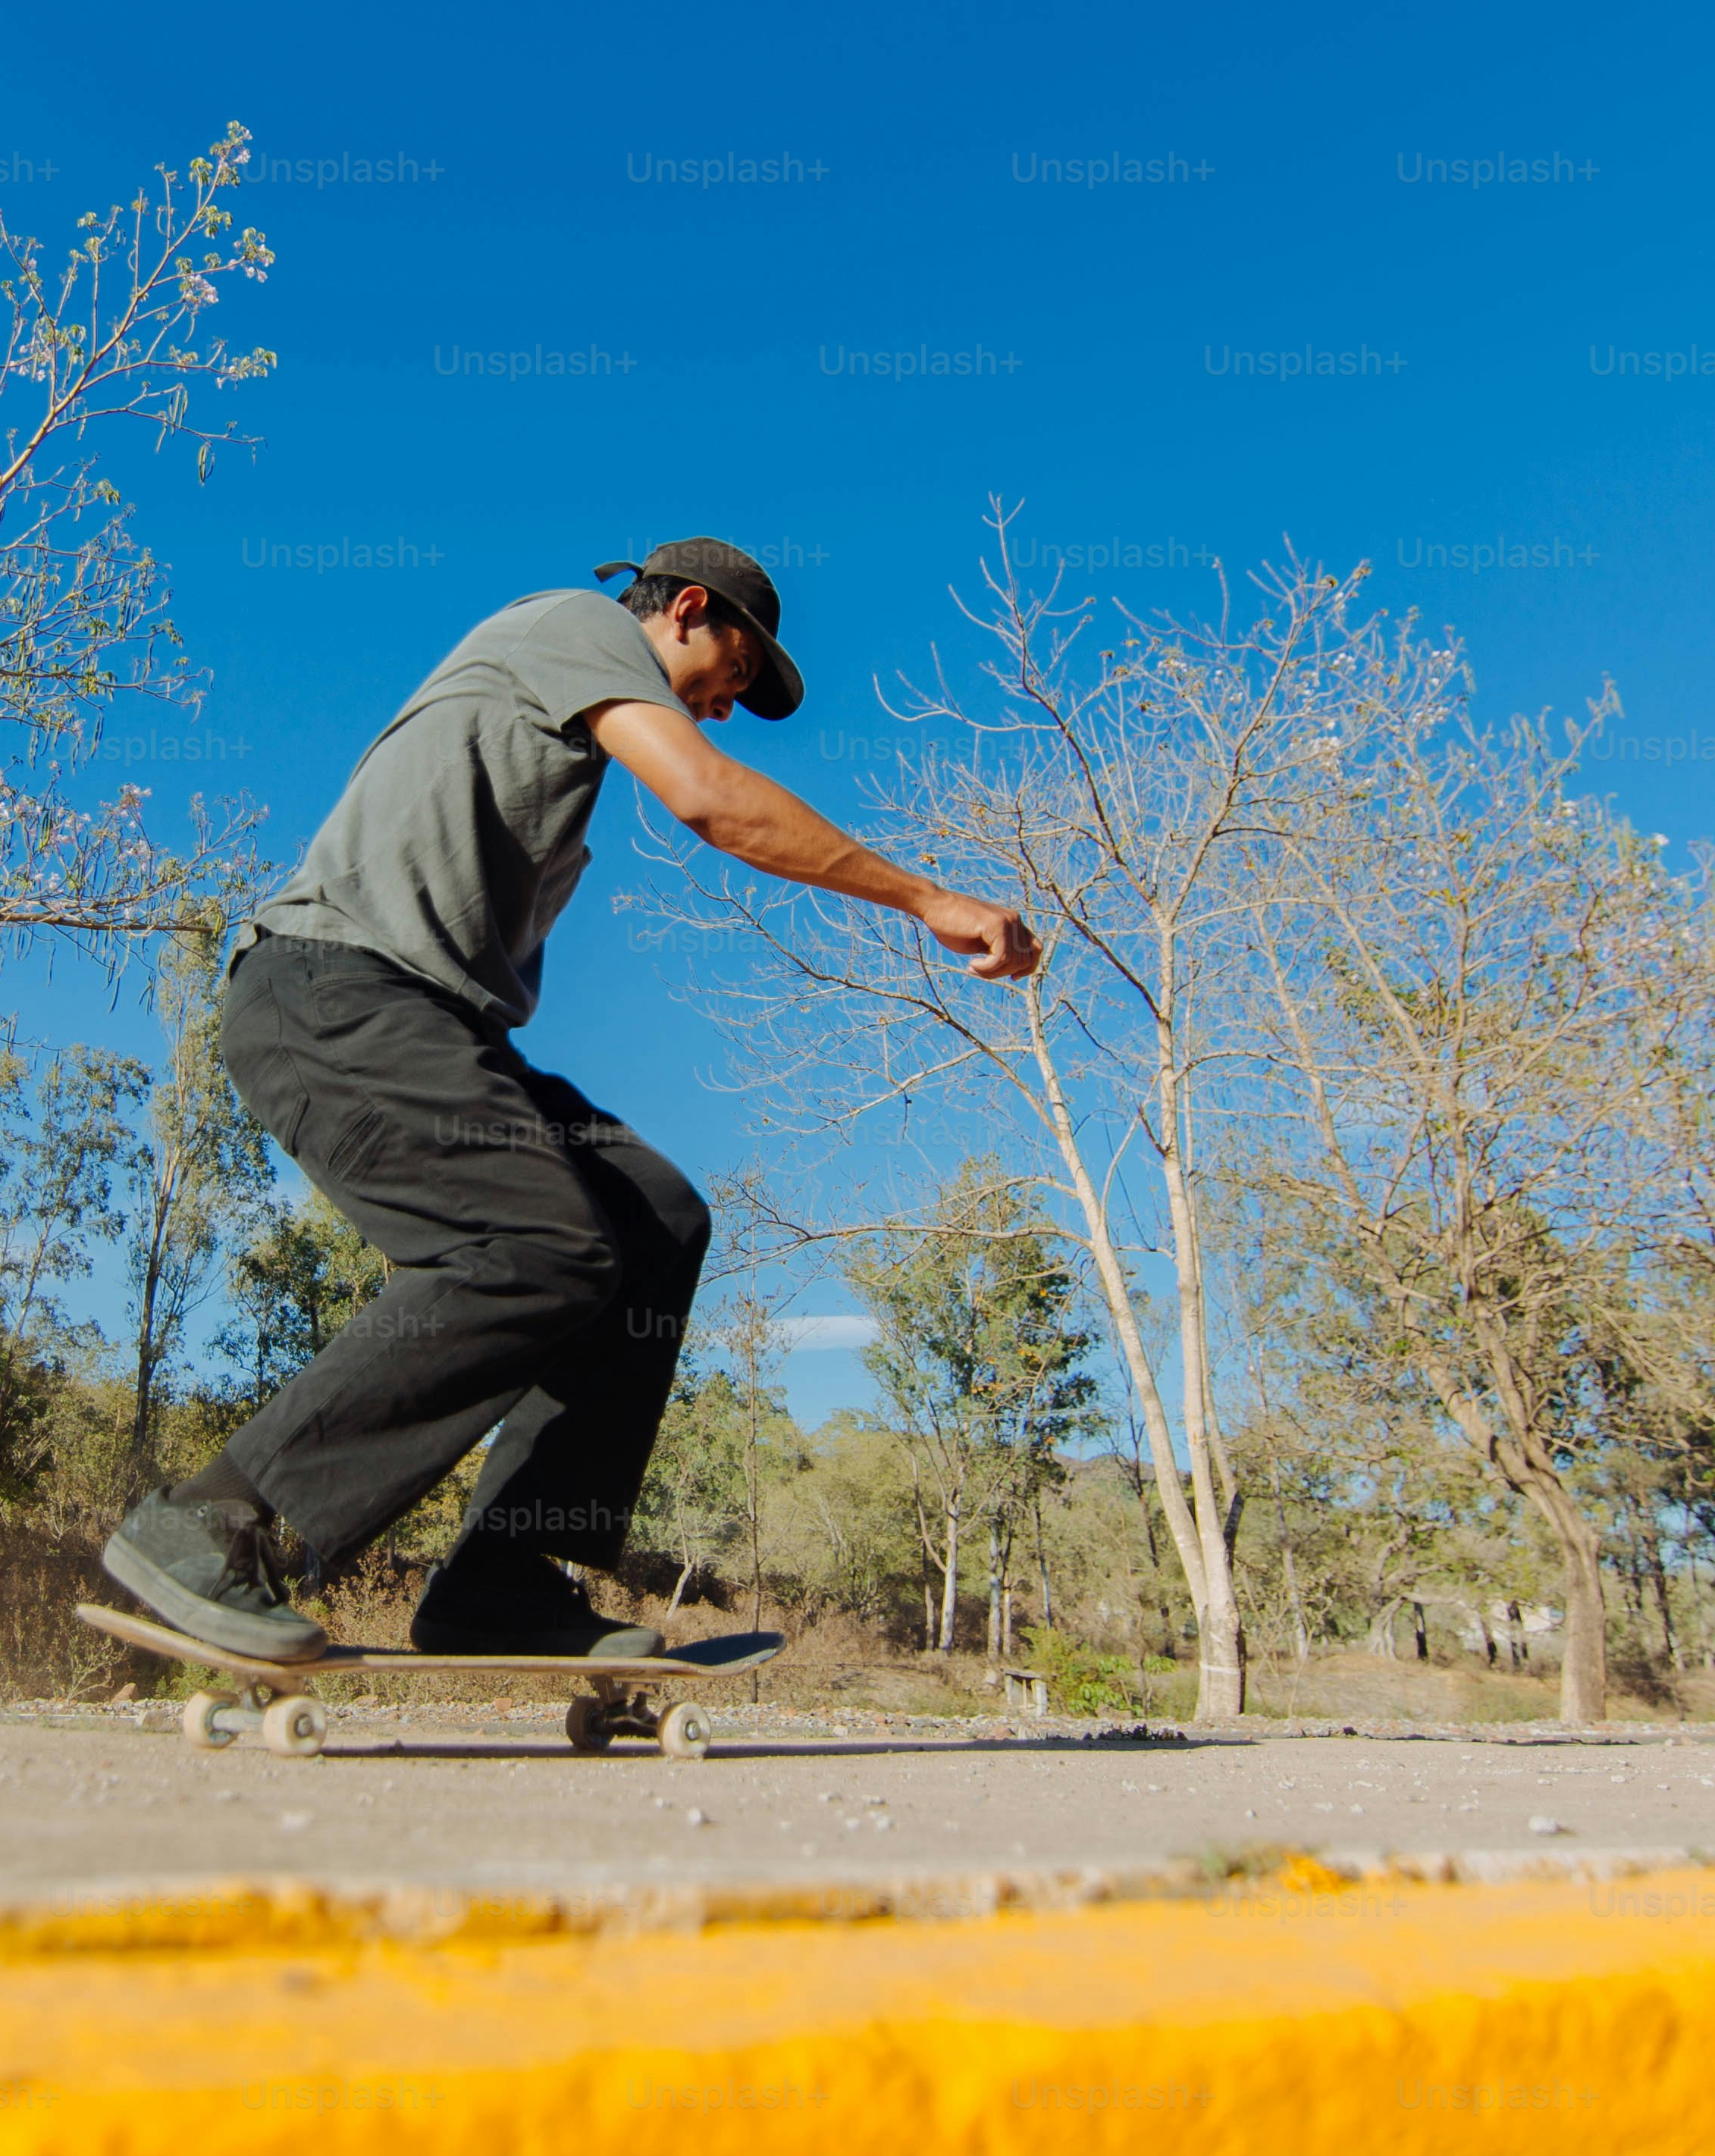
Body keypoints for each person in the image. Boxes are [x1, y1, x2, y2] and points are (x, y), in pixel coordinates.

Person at [100, 537, 1043, 1659]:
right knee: (539, 1240)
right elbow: (710, 798)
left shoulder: (561, 718)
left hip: (430, 1026)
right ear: (686, 609)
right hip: (329, 994)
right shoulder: (577, 628)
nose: (723, 710)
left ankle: (501, 1578)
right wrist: (924, 897)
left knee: (654, 1216)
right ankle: (212, 1522)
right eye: (731, 676)